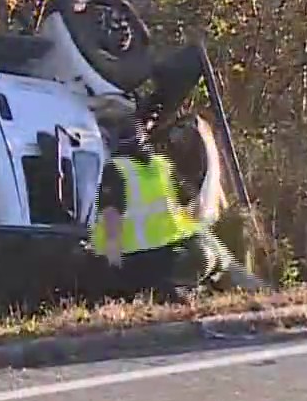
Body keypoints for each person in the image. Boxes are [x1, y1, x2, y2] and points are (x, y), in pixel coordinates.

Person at [89, 112, 215, 300]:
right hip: (169, 256)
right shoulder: (162, 165)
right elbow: (189, 204)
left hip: (134, 260)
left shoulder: (115, 169)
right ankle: (179, 290)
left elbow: (111, 218)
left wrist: (112, 265)